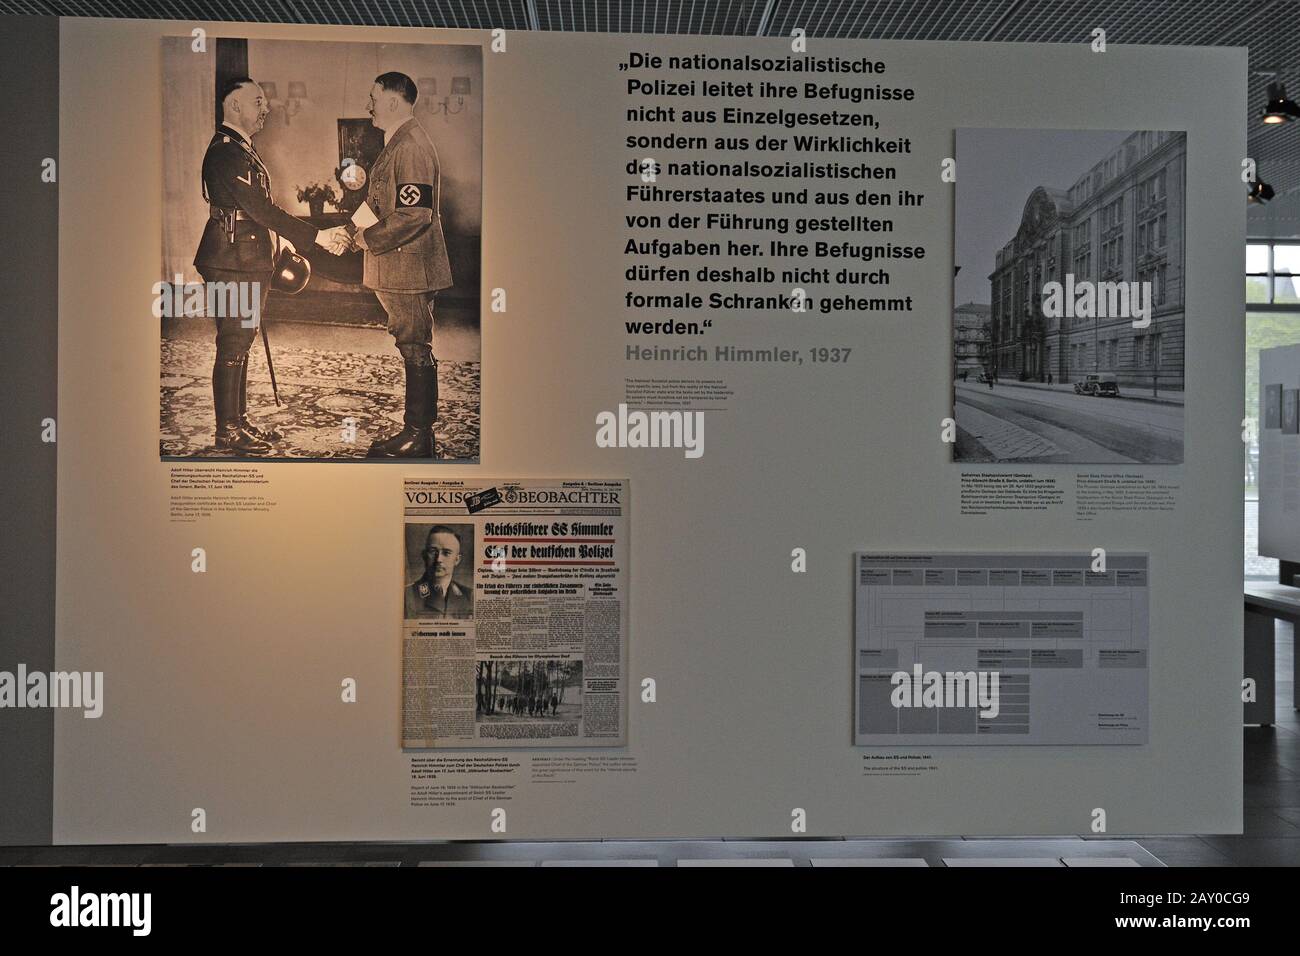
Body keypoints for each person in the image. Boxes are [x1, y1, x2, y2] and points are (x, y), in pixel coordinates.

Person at [195, 76, 349, 454]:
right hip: (232, 260)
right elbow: (262, 210)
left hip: (245, 258)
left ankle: (238, 422)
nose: (266, 109)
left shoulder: (243, 150)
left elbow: (258, 213)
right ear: (234, 107)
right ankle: (227, 430)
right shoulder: (227, 151)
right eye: (258, 102)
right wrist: (317, 237)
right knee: (233, 342)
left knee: (240, 343)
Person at [351, 72, 454, 458]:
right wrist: (351, 229)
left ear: (393, 102)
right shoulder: (398, 142)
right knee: (410, 343)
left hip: (410, 269)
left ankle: (418, 436)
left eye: (373, 97)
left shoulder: (409, 145)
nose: (369, 105)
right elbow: (382, 202)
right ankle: (417, 432)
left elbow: (414, 214)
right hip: (402, 266)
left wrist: (367, 238)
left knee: (415, 347)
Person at [405, 525, 473, 618]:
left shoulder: (469, 595)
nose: (438, 559)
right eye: (433, 551)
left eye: (446, 553)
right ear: (424, 555)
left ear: (457, 560)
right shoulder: (408, 595)